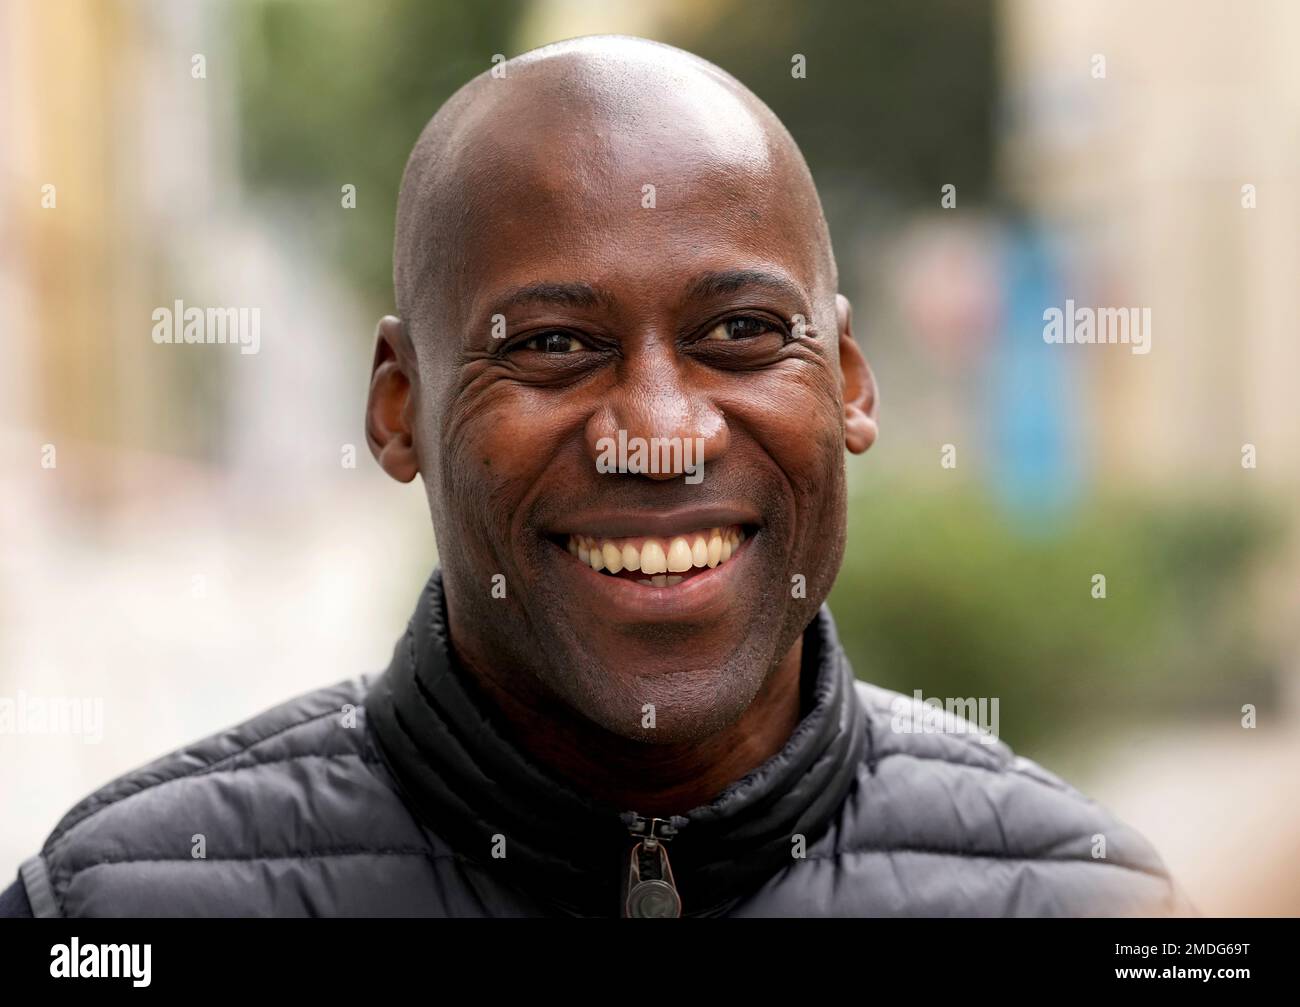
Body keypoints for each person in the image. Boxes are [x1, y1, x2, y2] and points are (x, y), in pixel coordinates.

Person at [3, 35, 1190, 918]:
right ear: (398, 405)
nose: (659, 433)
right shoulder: (120, 909)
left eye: (739, 333)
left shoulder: (1083, 898)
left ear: (850, 383)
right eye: (553, 347)